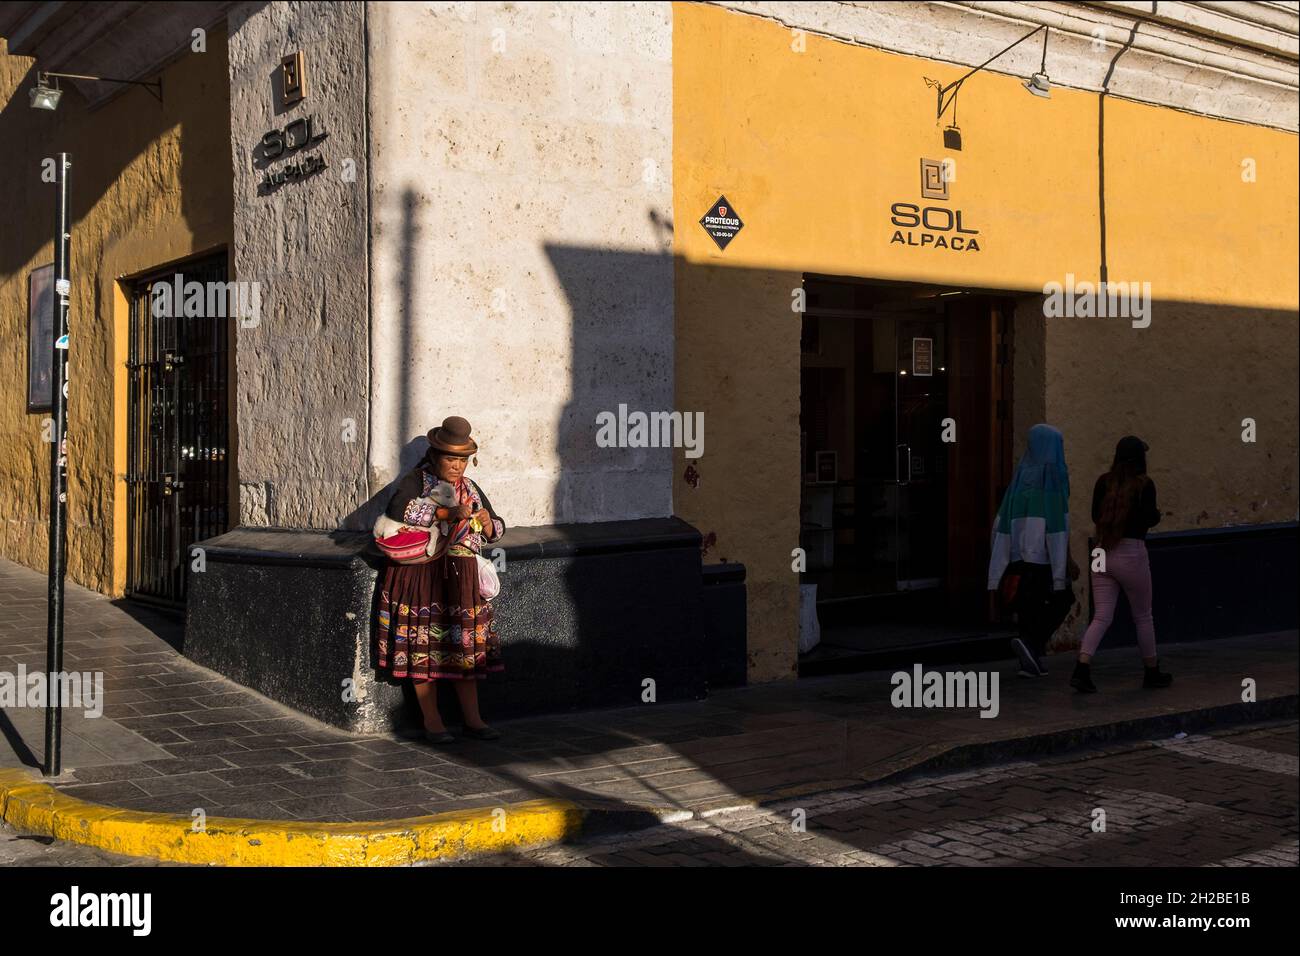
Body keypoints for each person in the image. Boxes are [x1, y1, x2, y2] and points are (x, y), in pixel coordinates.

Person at [375, 416, 507, 742]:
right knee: (424, 647)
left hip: (462, 580)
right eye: (451, 458)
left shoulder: (472, 489)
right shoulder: (417, 481)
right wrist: (447, 514)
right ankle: (432, 721)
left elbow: (496, 531)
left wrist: (488, 523)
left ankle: (473, 720)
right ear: (435, 456)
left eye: (462, 459)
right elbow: (398, 509)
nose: (457, 466)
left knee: (464, 650)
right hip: (422, 576)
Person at [1070, 436, 1171, 692]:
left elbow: (1095, 514)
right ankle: (1151, 671)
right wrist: (1157, 514)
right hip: (1130, 552)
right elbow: (1148, 518)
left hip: (1102, 550)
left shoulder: (1103, 482)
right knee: (1143, 616)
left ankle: (1082, 667)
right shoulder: (1144, 485)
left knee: (1102, 616)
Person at [988, 424, 1080, 677]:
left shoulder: (1020, 477)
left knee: (1028, 606)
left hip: (1018, 556)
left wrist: (1000, 554)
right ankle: (1033, 645)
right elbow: (1059, 523)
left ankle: (1031, 659)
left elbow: (1002, 518)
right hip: (1045, 557)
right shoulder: (1055, 477)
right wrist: (1067, 559)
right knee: (1062, 599)